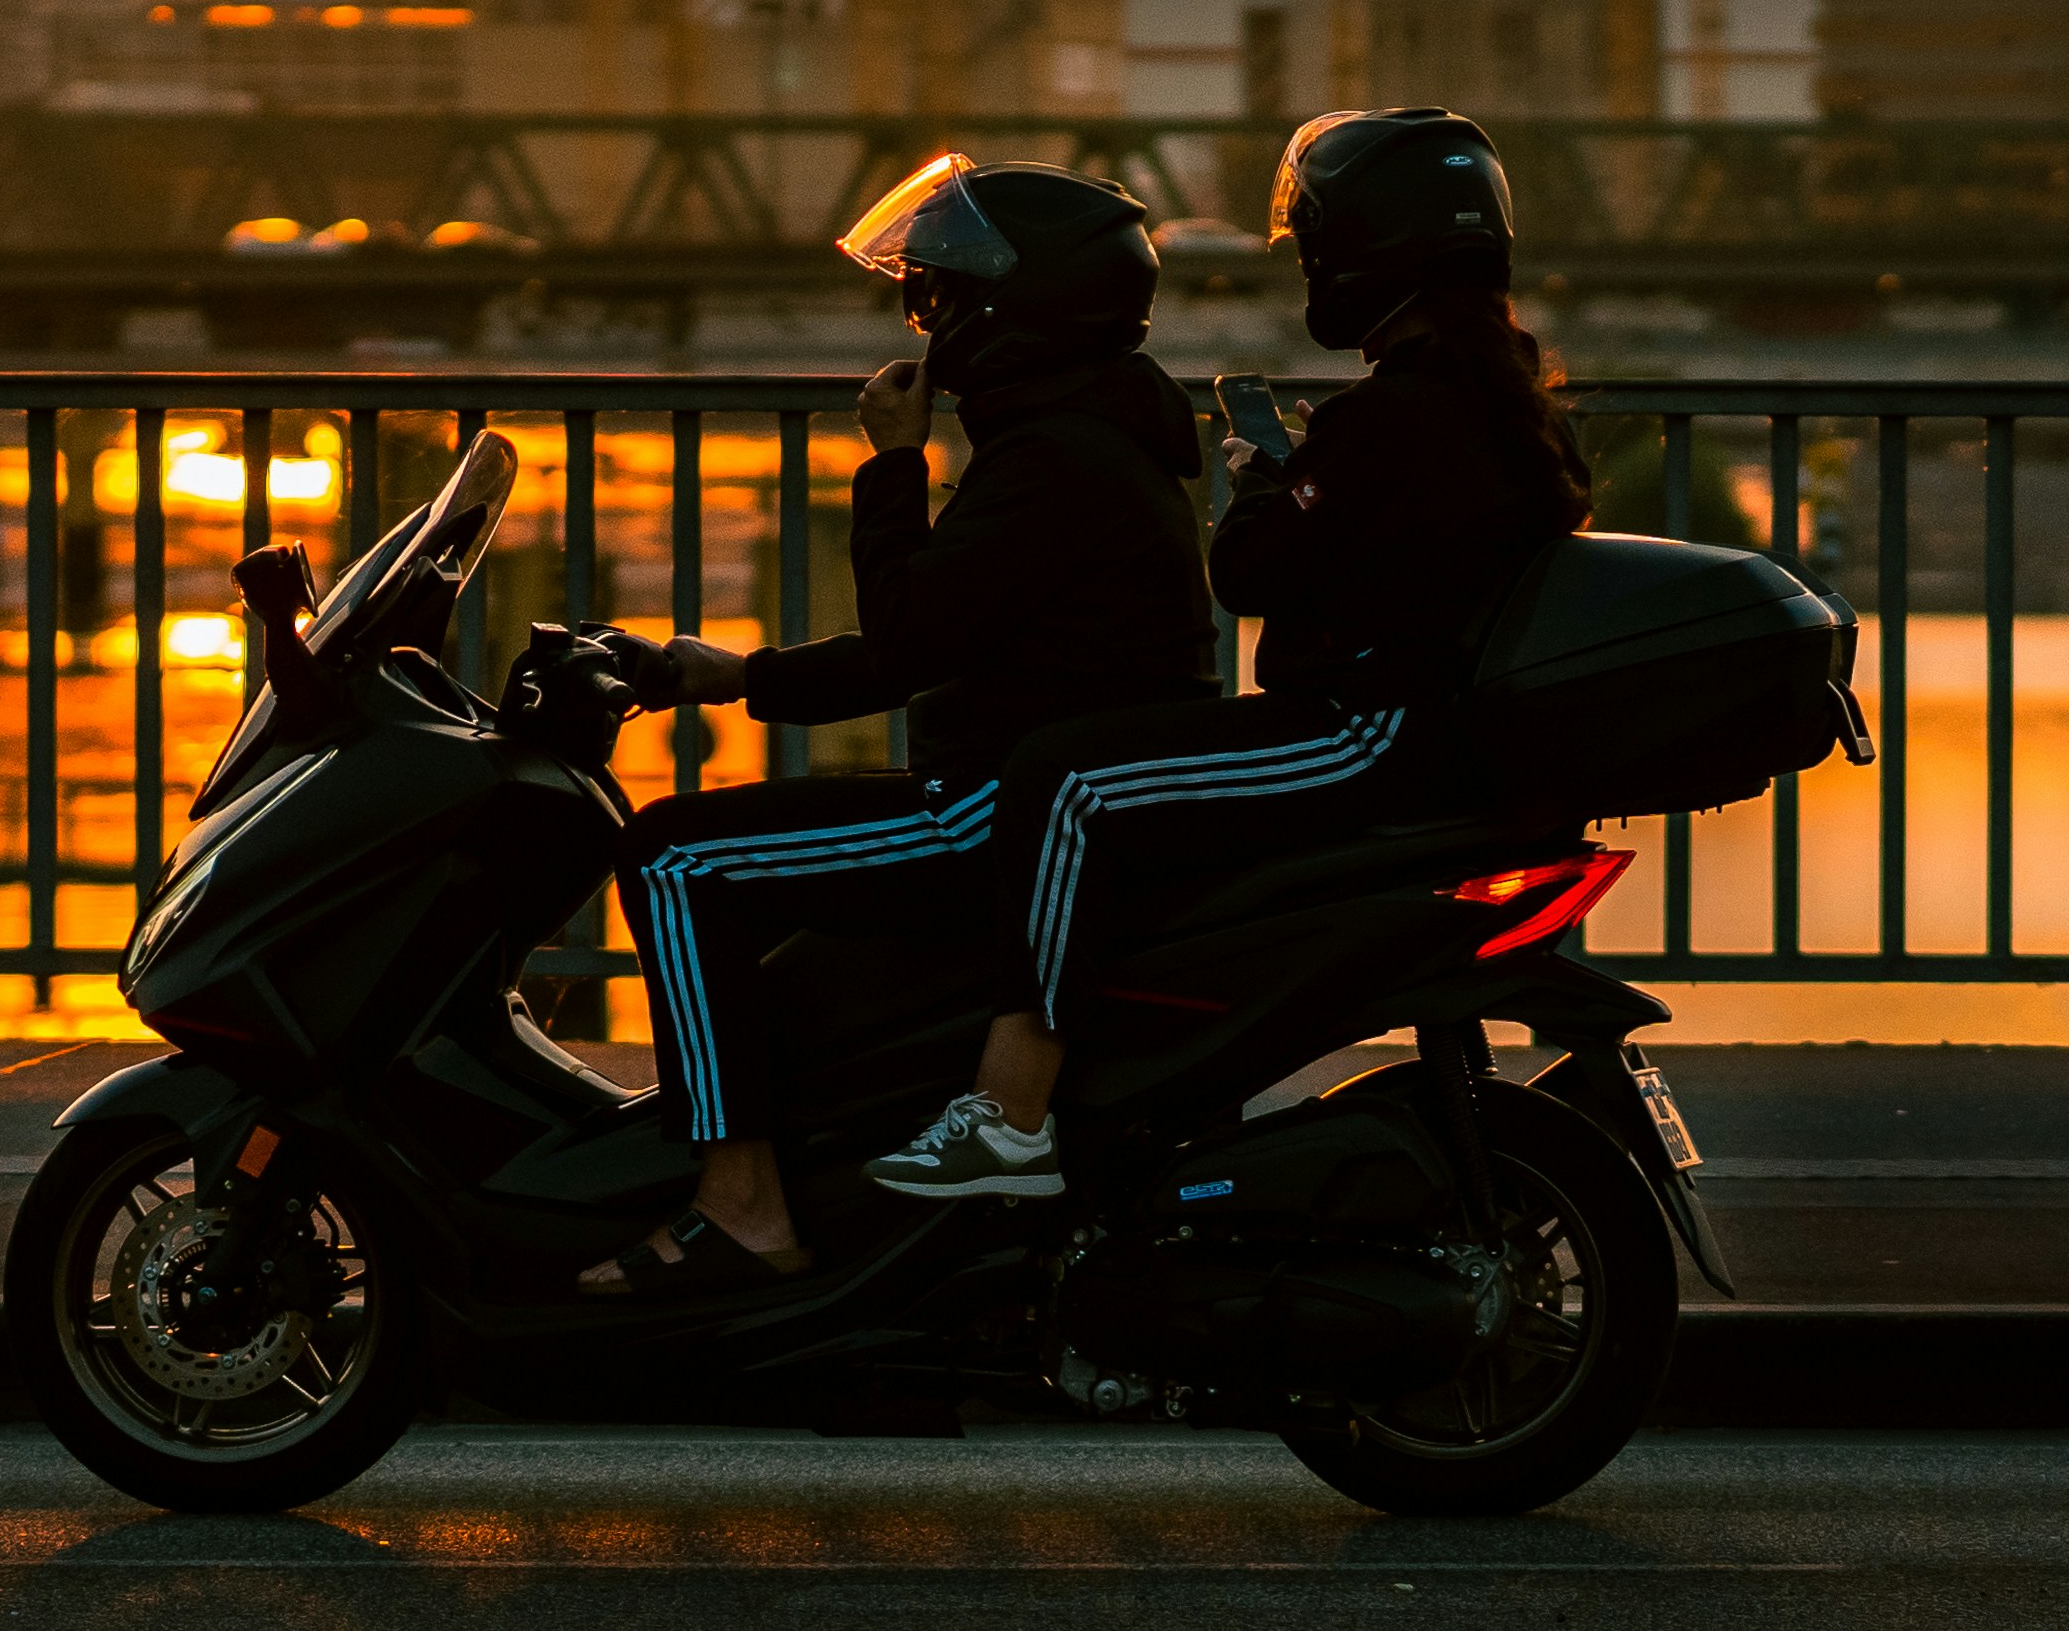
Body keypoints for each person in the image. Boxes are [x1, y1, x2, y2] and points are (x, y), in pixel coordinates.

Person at [863, 108, 1591, 1202]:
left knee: (1063, 776)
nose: (1307, 267)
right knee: (1083, 771)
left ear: (1363, 256)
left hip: (1365, 731)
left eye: (1311, 249)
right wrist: (1314, 478)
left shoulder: (1401, 413)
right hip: (1428, 726)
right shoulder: (1503, 401)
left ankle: (1010, 1115)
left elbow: (1249, 572)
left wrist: (1264, 481)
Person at [582, 153, 1217, 1296]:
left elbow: (914, 631)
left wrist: (891, 467)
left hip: (994, 807)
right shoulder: (1090, 432)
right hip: (1021, 785)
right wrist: (733, 679)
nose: (920, 317)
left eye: (934, 295)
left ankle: (742, 1204)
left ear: (1009, 309)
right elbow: (939, 638)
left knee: (674, 857)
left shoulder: (1058, 458)